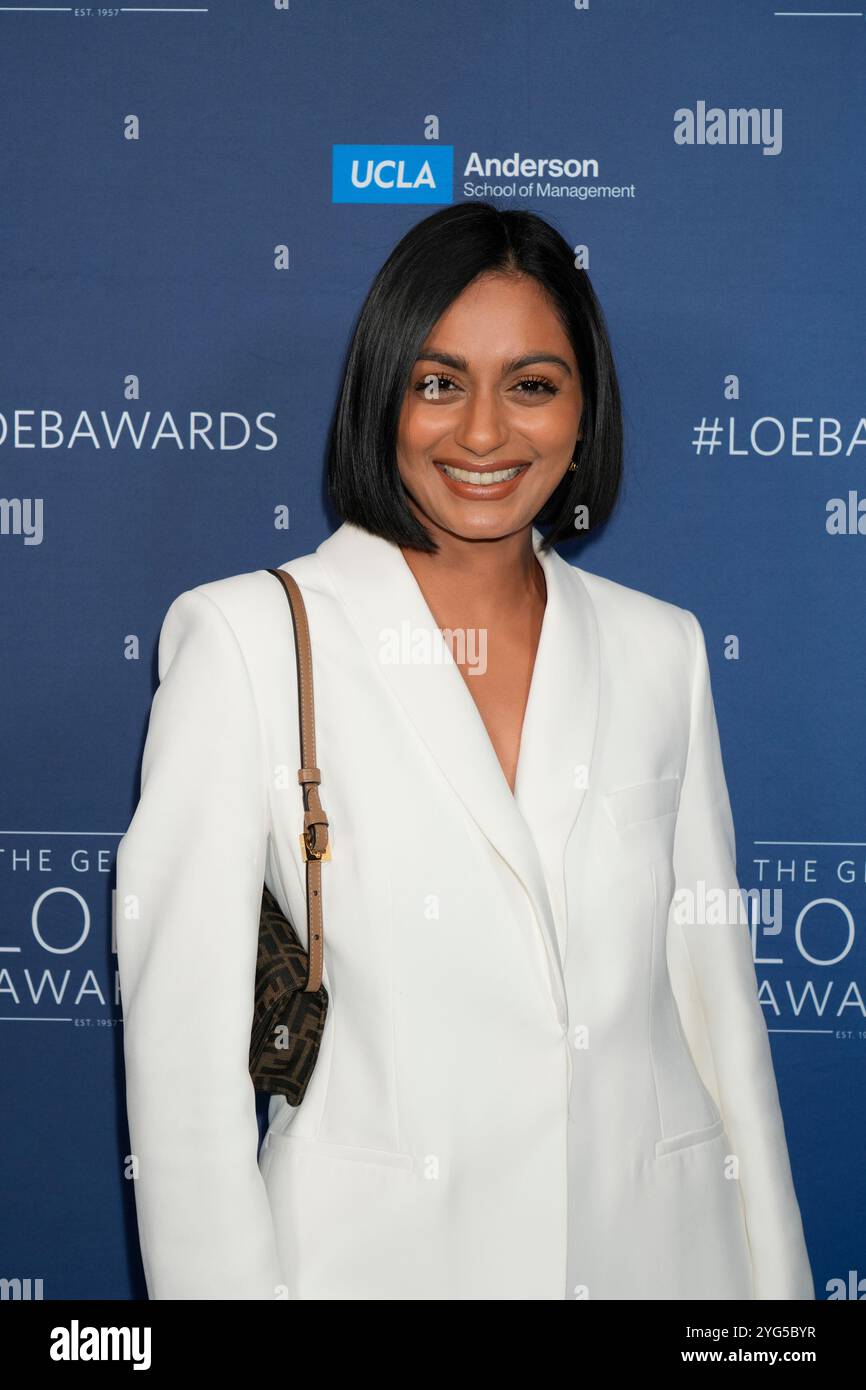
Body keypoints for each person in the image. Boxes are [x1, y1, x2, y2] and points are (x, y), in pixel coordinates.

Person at [115, 201, 814, 1300]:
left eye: (531, 384)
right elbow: (182, 1084)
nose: (483, 433)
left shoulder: (657, 649)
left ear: (582, 415)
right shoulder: (249, 641)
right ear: (380, 398)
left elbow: (720, 1023)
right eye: (437, 382)